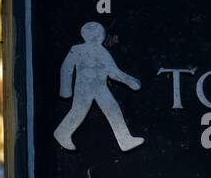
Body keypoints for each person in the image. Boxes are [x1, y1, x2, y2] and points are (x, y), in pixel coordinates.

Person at [53, 21, 145, 152]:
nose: (97, 37)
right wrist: (65, 90)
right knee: (79, 111)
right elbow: (66, 69)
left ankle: (125, 139)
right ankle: (62, 132)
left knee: (113, 110)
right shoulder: (77, 50)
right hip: (84, 89)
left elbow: (113, 72)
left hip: (100, 88)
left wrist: (130, 81)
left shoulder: (103, 52)